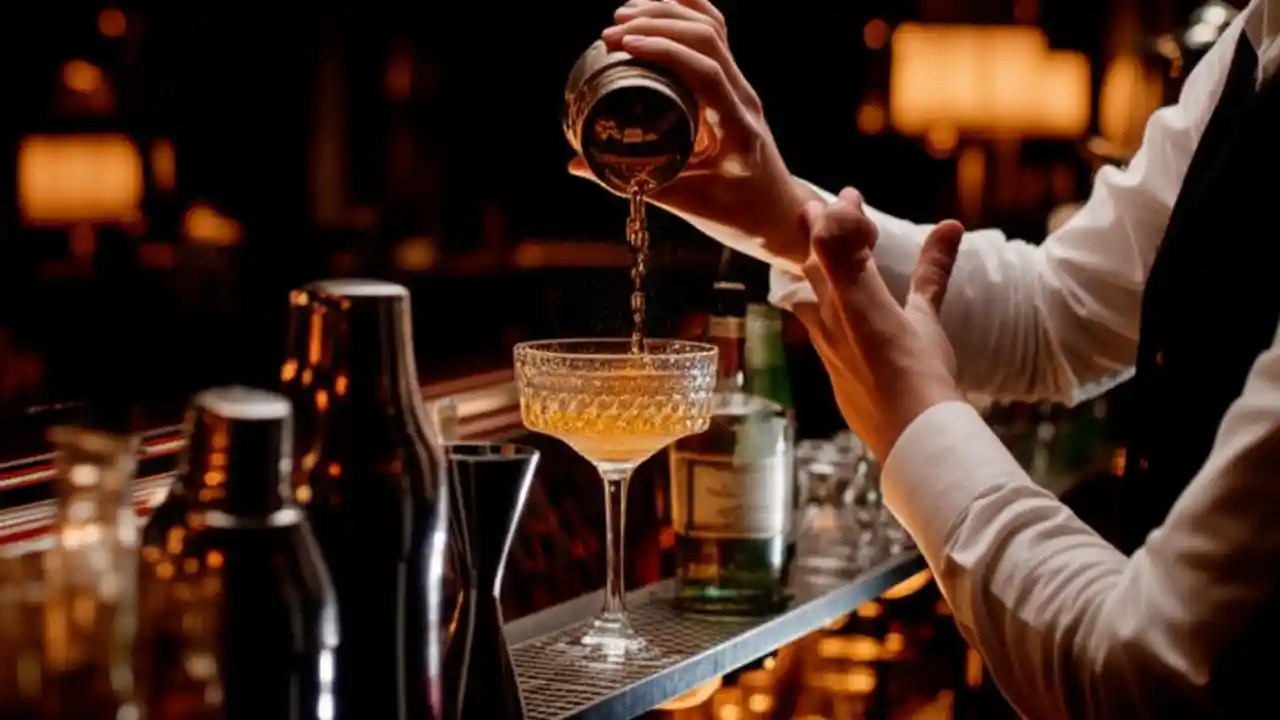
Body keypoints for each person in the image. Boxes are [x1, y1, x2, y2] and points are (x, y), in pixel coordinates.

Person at [575, 1, 1280, 717]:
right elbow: (1052, 311)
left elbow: (1147, 675)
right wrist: (781, 213)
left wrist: (915, 421)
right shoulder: (1260, 32)